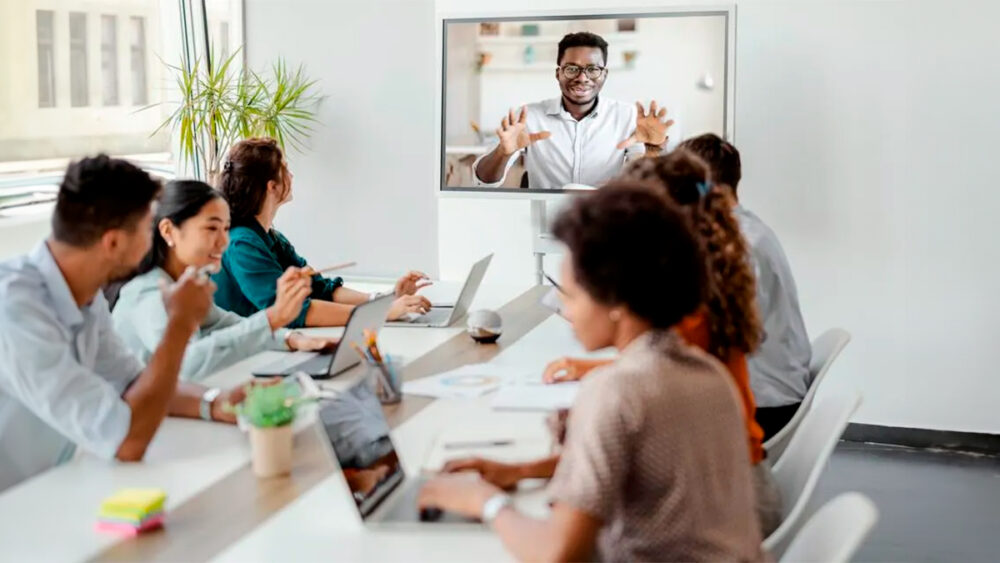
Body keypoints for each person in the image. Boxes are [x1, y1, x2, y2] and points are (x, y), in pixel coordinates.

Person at [419, 183, 764, 561]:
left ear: (615, 299)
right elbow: (644, 468)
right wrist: (524, 470)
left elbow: (559, 553)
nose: (565, 311)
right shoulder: (708, 373)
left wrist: (484, 502)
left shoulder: (616, 391)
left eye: (570, 294)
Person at [539, 150, 782, 536]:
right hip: (734, 477)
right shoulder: (702, 274)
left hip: (732, 501)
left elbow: (657, 377)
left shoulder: (689, 300)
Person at [0, 156, 252, 493]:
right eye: (148, 228)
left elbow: (133, 382)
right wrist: (180, 324)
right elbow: (127, 441)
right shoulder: (15, 309)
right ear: (114, 242)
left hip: (52, 483)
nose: (154, 239)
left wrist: (216, 403)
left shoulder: (88, 297)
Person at [113, 180, 338, 382]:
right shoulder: (148, 294)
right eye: (212, 228)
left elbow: (227, 324)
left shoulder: (190, 281)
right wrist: (272, 318)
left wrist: (291, 338)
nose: (224, 241)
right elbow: (185, 364)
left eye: (226, 228)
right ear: (168, 231)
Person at [212, 138, 432, 327]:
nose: (292, 175)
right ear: (272, 187)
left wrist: (385, 299)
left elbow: (320, 289)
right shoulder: (242, 244)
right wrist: (381, 314)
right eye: (285, 169)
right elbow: (291, 312)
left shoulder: (270, 237)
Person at [679, 133, 811, 439]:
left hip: (763, 405)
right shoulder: (741, 229)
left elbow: (717, 336)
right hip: (768, 388)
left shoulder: (739, 244)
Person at [473, 32, 678, 189]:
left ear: (604, 74)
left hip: (606, 222)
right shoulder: (528, 117)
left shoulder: (627, 116)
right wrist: (502, 152)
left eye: (593, 69)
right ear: (558, 73)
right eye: (571, 68)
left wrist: (653, 152)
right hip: (543, 224)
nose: (582, 78)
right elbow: (483, 181)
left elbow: (646, 186)